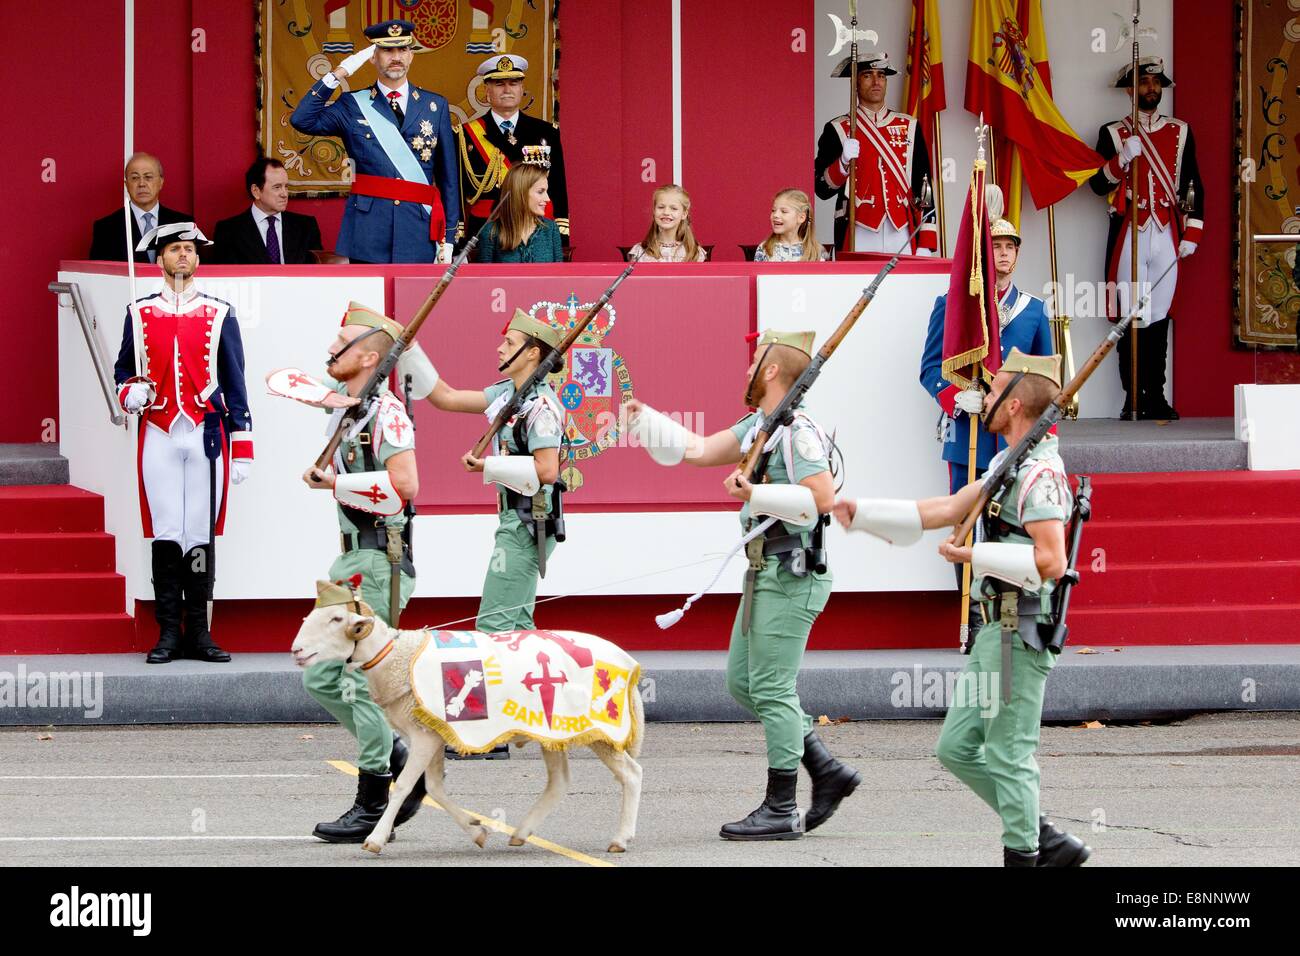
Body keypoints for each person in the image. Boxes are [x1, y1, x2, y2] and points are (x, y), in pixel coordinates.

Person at [835, 348, 1091, 867]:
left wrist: (973, 553)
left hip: (1020, 631)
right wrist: (862, 514)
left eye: (993, 392)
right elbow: (946, 508)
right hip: (992, 630)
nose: (984, 398)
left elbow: (1051, 561)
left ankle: (1024, 855)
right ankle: (1042, 835)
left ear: (1017, 404)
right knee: (956, 747)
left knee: (1009, 754)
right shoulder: (1006, 463)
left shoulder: (1041, 475)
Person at [623, 330, 860, 841]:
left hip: (793, 572)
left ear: (771, 371)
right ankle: (825, 770)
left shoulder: (797, 433)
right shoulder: (762, 425)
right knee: (743, 683)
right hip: (765, 572)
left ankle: (780, 807)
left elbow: (820, 500)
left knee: (771, 688)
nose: (746, 370)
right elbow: (701, 449)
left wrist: (754, 491)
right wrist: (647, 422)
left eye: (754, 361)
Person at [282, 302, 427, 841]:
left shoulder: (386, 412)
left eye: (339, 344)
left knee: (357, 682)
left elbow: (406, 486)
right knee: (323, 672)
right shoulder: (352, 409)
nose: (329, 351)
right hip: (351, 558)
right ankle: (401, 759)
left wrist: (335, 485)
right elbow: (307, 386)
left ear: (368, 356)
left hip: (377, 557)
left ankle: (375, 796)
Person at [113, 223, 251, 664]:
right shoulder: (138, 311)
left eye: (189, 249)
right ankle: (168, 632)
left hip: (206, 432)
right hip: (158, 429)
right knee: (167, 531)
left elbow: (235, 380)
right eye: (174, 249)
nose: (183, 256)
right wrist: (128, 391)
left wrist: (243, 442)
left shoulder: (219, 312)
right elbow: (122, 371)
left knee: (200, 533)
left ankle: (201, 632)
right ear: (160, 260)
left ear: (198, 258)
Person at [399, 309, 565, 634]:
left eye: (509, 342)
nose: (500, 348)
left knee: (494, 628)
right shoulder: (509, 394)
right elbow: (445, 398)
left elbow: (547, 470)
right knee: (517, 629)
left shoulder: (541, 407)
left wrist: (488, 466)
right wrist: (410, 350)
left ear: (533, 353)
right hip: (518, 522)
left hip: (527, 524)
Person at [289, 18, 459, 264]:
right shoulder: (351, 104)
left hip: (419, 229)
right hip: (369, 230)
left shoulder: (435, 106)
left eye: (403, 49)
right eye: (387, 50)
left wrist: (450, 237)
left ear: (412, 55)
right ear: (371, 57)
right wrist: (339, 73)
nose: (396, 56)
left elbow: (448, 179)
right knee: (371, 304)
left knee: (416, 303)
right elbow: (302, 120)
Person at [1089, 55, 1203, 421]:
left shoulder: (1180, 132)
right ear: (1130, 89)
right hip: (1129, 234)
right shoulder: (1113, 133)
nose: (1151, 88)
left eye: (1156, 83)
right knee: (1130, 317)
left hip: (1166, 231)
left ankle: (1156, 395)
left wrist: (1194, 231)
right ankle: (1132, 397)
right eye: (1144, 83)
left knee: (1159, 317)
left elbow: (1192, 184)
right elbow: (1095, 185)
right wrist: (1120, 159)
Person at [919, 214, 1053, 495]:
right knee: (964, 520)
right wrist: (955, 396)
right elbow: (930, 368)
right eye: (996, 246)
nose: (1004, 253)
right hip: (970, 429)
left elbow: (1045, 379)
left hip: (1014, 435)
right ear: (982, 253)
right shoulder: (951, 305)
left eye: (1010, 246)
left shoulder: (1034, 309)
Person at [814, 52, 936, 255]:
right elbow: (822, 189)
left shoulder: (909, 126)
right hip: (858, 228)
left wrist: (926, 240)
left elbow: (924, 187)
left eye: (881, 75)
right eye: (867, 75)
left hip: (902, 229)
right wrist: (842, 163)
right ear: (855, 82)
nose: (876, 81)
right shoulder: (838, 128)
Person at [456, 53, 570, 247]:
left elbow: (558, 187)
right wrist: (458, 235)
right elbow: (457, 191)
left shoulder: (546, 132)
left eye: (514, 83)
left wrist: (561, 230)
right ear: (486, 90)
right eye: (500, 84)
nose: (507, 89)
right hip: (488, 230)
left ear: (522, 88)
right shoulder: (464, 135)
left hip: (538, 228)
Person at [211, 157, 323, 265]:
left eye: (286, 186)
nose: (284, 194)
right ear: (256, 191)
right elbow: (226, 278)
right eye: (277, 187)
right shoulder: (228, 231)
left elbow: (317, 274)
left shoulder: (306, 227)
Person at [89, 153, 192, 263]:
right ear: (126, 184)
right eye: (135, 178)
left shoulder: (184, 224)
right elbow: (99, 274)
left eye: (148, 177)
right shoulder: (106, 228)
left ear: (161, 182)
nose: (142, 183)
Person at [475, 160, 564, 263]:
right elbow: (484, 278)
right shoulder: (491, 231)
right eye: (540, 192)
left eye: (546, 191)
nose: (547, 199)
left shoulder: (551, 229)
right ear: (521, 193)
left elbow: (558, 276)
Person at [628, 184, 707, 262]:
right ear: (654, 211)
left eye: (673, 208)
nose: (666, 212)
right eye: (661, 207)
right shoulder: (640, 251)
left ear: (684, 214)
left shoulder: (694, 252)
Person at [753, 189, 829, 262]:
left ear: (801, 217)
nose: (775, 215)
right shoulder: (765, 248)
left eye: (784, 211)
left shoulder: (816, 251)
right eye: (773, 210)